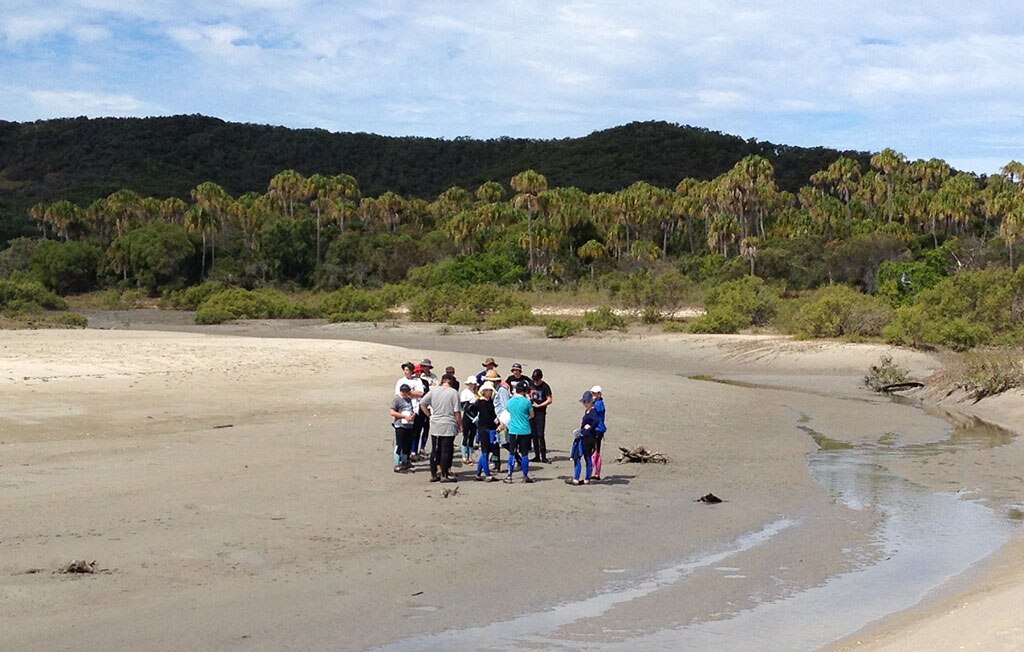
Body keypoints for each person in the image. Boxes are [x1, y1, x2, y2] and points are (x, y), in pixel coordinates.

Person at [419, 373, 462, 482]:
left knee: (435, 449)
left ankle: (434, 474)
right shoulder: (453, 393)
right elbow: (457, 411)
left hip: (436, 423)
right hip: (449, 423)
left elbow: (422, 403)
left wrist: (429, 415)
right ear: (451, 382)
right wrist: (460, 424)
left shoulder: (434, 391)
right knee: (446, 450)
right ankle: (444, 474)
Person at [504, 379, 534, 484]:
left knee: (512, 453)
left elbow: (508, 410)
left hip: (513, 430)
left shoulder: (510, 401)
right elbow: (532, 415)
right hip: (525, 430)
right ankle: (525, 476)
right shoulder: (527, 402)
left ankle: (509, 476)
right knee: (525, 454)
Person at [567, 390, 600, 485]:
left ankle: (582, 478)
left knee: (583, 457)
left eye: (586, 402)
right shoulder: (588, 410)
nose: (585, 404)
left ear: (591, 401)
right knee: (581, 457)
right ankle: (582, 478)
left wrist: (589, 427)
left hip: (588, 438)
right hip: (585, 436)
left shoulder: (593, 411)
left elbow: (596, 421)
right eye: (584, 402)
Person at [474, 381, 499, 482]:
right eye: (487, 390)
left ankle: (478, 474)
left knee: (487, 451)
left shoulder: (490, 401)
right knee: (485, 452)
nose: (489, 392)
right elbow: (469, 410)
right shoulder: (480, 402)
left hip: (491, 428)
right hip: (484, 429)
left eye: (490, 390)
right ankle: (488, 474)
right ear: (483, 391)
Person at [389, 383, 417, 473]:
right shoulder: (397, 400)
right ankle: (397, 463)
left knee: (407, 445)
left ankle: (405, 462)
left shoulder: (409, 400)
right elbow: (392, 412)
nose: (407, 393)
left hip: (409, 425)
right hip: (400, 425)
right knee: (399, 444)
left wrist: (413, 416)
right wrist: (403, 416)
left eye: (408, 391)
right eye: (405, 392)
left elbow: (412, 410)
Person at [529, 368, 553, 463]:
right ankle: (536, 455)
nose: (535, 382)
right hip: (532, 411)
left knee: (540, 434)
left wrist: (539, 405)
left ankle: (543, 456)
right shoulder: (531, 384)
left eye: (537, 380)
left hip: (541, 412)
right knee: (533, 434)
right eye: (534, 379)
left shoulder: (545, 386)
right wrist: (530, 397)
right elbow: (527, 393)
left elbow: (549, 399)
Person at [459, 375, 479, 465]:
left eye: (473, 384)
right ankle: (464, 455)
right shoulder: (465, 392)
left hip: (475, 417)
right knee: (465, 436)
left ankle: (470, 456)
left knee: (472, 436)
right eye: (470, 384)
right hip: (467, 416)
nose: (472, 385)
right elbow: (464, 407)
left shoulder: (478, 393)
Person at [590, 385, 607, 481]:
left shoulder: (598, 404)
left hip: (598, 429)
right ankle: (596, 472)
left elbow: (594, 416)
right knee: (596, 450)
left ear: (599, 394)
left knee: (595, 451)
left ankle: (596, 472)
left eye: (594, 394)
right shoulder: (598, 403)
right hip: (598, 429)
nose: (593, 395)